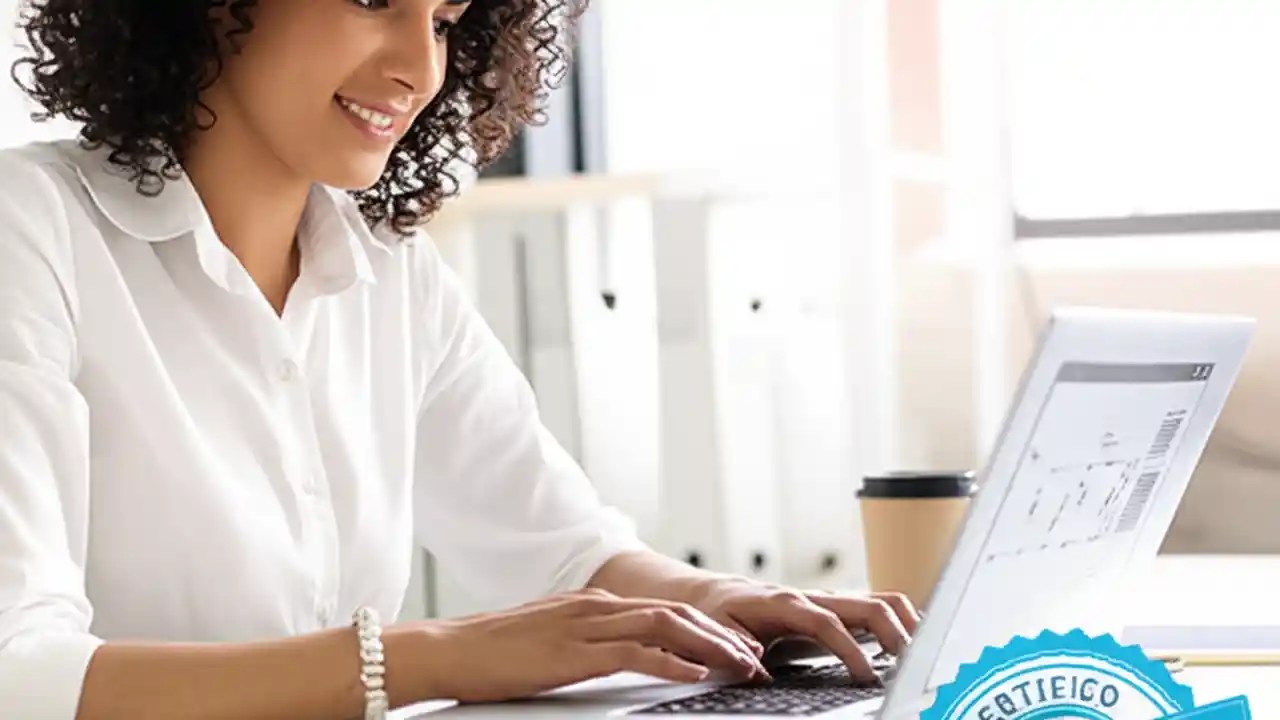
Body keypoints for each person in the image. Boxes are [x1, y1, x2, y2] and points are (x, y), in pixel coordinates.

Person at [0, 1, 918, 718]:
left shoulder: (390, 270)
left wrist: (725, 602)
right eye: (374, 1)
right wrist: (428, 658)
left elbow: (565, 552)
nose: (419, 67)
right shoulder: (31, 231)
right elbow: (20, 674)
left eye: (444, 21)